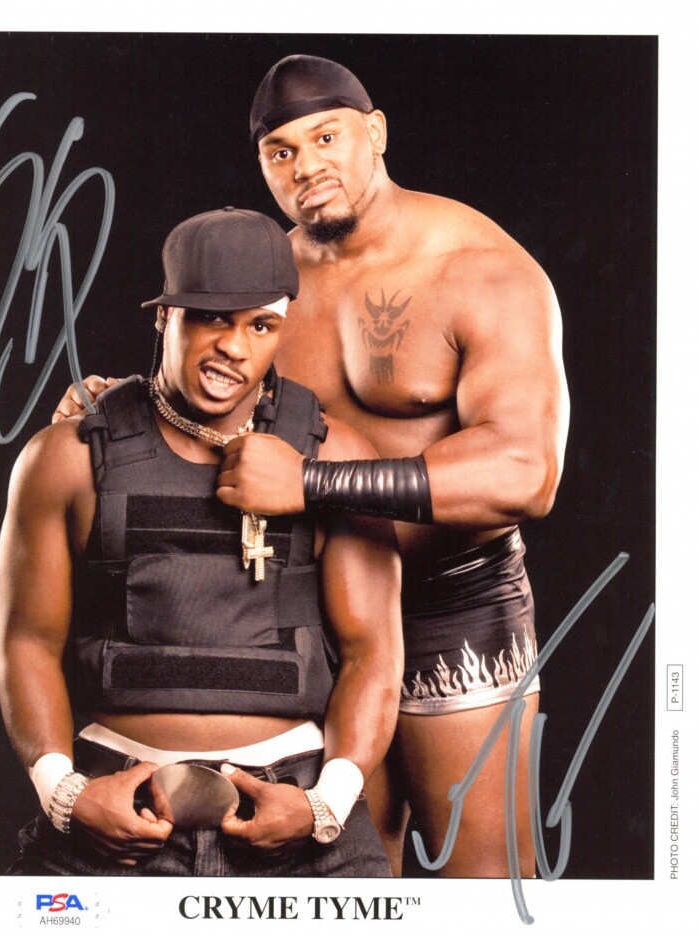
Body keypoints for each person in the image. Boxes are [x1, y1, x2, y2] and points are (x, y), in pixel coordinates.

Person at [54, 55, 569, 878]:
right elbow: (216, 382)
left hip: (451, 603)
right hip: (317, 607)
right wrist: (126, 400)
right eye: (281, 151)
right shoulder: (272, 284)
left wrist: (311, 484)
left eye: (327, 138)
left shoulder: (482, 270)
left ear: (376, 133)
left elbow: (524, 472)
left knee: (483, 888)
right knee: (349, 872)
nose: (306, 166)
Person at [0, 207, 403, 877]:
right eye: (212, 318)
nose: (234, 348)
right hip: (114, 800)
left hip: (295, 802)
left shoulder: (334, 458)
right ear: (165, 316)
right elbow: (28, 642)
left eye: (260, 325)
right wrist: (64, 795)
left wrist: (324, 808)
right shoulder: (67, 458)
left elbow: (374, 653)